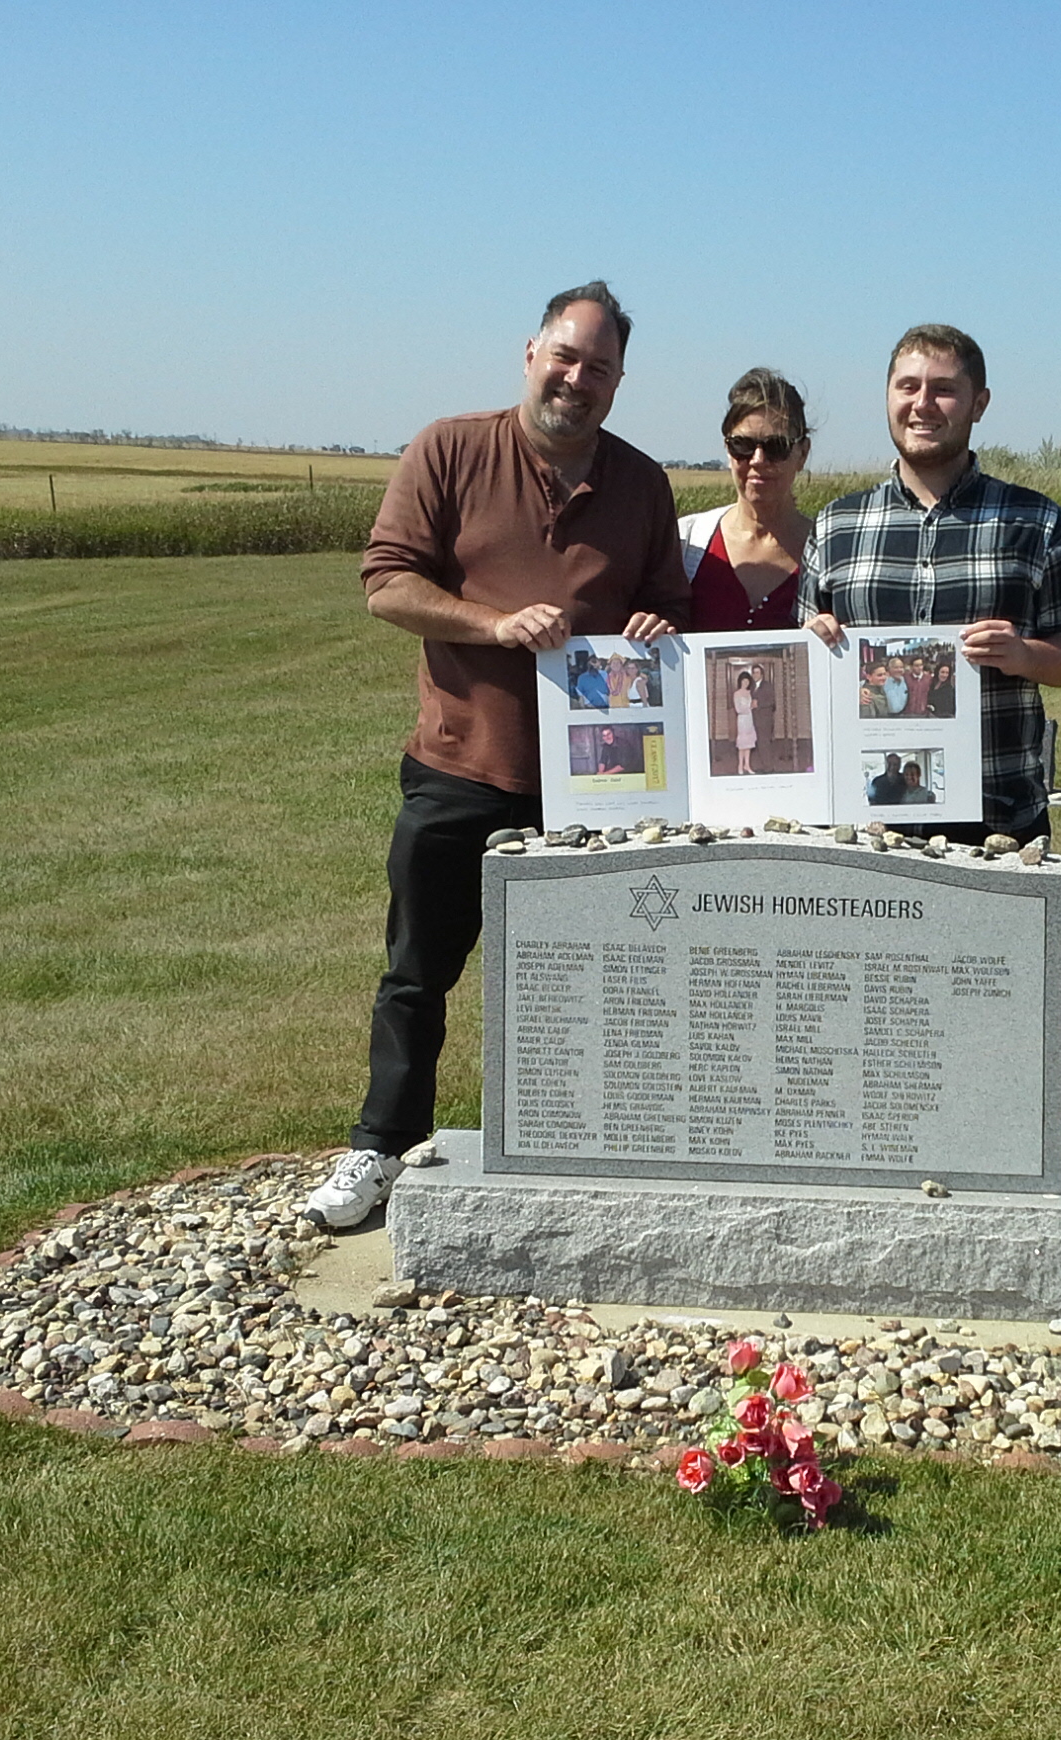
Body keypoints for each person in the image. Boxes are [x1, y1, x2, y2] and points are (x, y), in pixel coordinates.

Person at [303, 281, 689, 1229]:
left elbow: (669, 605)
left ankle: (601, 1150)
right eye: (566, 355)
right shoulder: (450, 447)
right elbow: (386, 584)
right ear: (530, 352)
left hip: (596, 786)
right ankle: (380, 1150)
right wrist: (495, 624)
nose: (578, 378)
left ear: (619, 380)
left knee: (602, 979)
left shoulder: (642, 482)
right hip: (461, 765)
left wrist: (655, 619)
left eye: (599, 367)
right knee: (417, 971)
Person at [802, 323, 1061, 841]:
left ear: (979, 404)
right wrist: (815, 645)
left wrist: (1027, 656)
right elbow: (804, 674)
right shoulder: (836, 526)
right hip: (866, 821)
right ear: (888, 397)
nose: (923, 403)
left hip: (997, 819)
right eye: (908, 386)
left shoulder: (1034, 521)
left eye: (943, 389)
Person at [679, 369, 813, 631]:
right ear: (727, 449)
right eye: (743, 445)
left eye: (776, 447)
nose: (758, 460)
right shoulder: (685, 543)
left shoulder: (828, 551)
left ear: (802, 453)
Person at [730, 667, 759, 774]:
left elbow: (753, 704)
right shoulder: (737, 694)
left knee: (749, 744)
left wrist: (753, 707)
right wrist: (749, 708)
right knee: (742, 744)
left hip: (749, 719)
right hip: (742, 719)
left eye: (747, 681)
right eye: (744, 681)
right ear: (740, 681)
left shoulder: (749, 693)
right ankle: (740, 766)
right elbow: (738, 709)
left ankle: (747, 765)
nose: (745, 683)